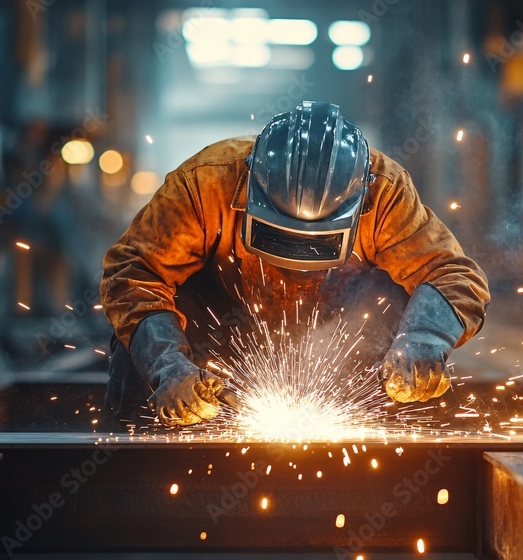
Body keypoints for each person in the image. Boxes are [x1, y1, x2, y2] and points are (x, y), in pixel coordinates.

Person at [100, 101, 490, 427]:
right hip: (217, 347)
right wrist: (168, 367)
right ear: (251, 188)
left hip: (340, 345)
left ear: (359, 205)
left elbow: (453, 275)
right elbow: (133, 273)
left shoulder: (384, 192)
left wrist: (422, 342)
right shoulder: (205, 183)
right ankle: (137, 461)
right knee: (140, 338)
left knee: (398, 302)